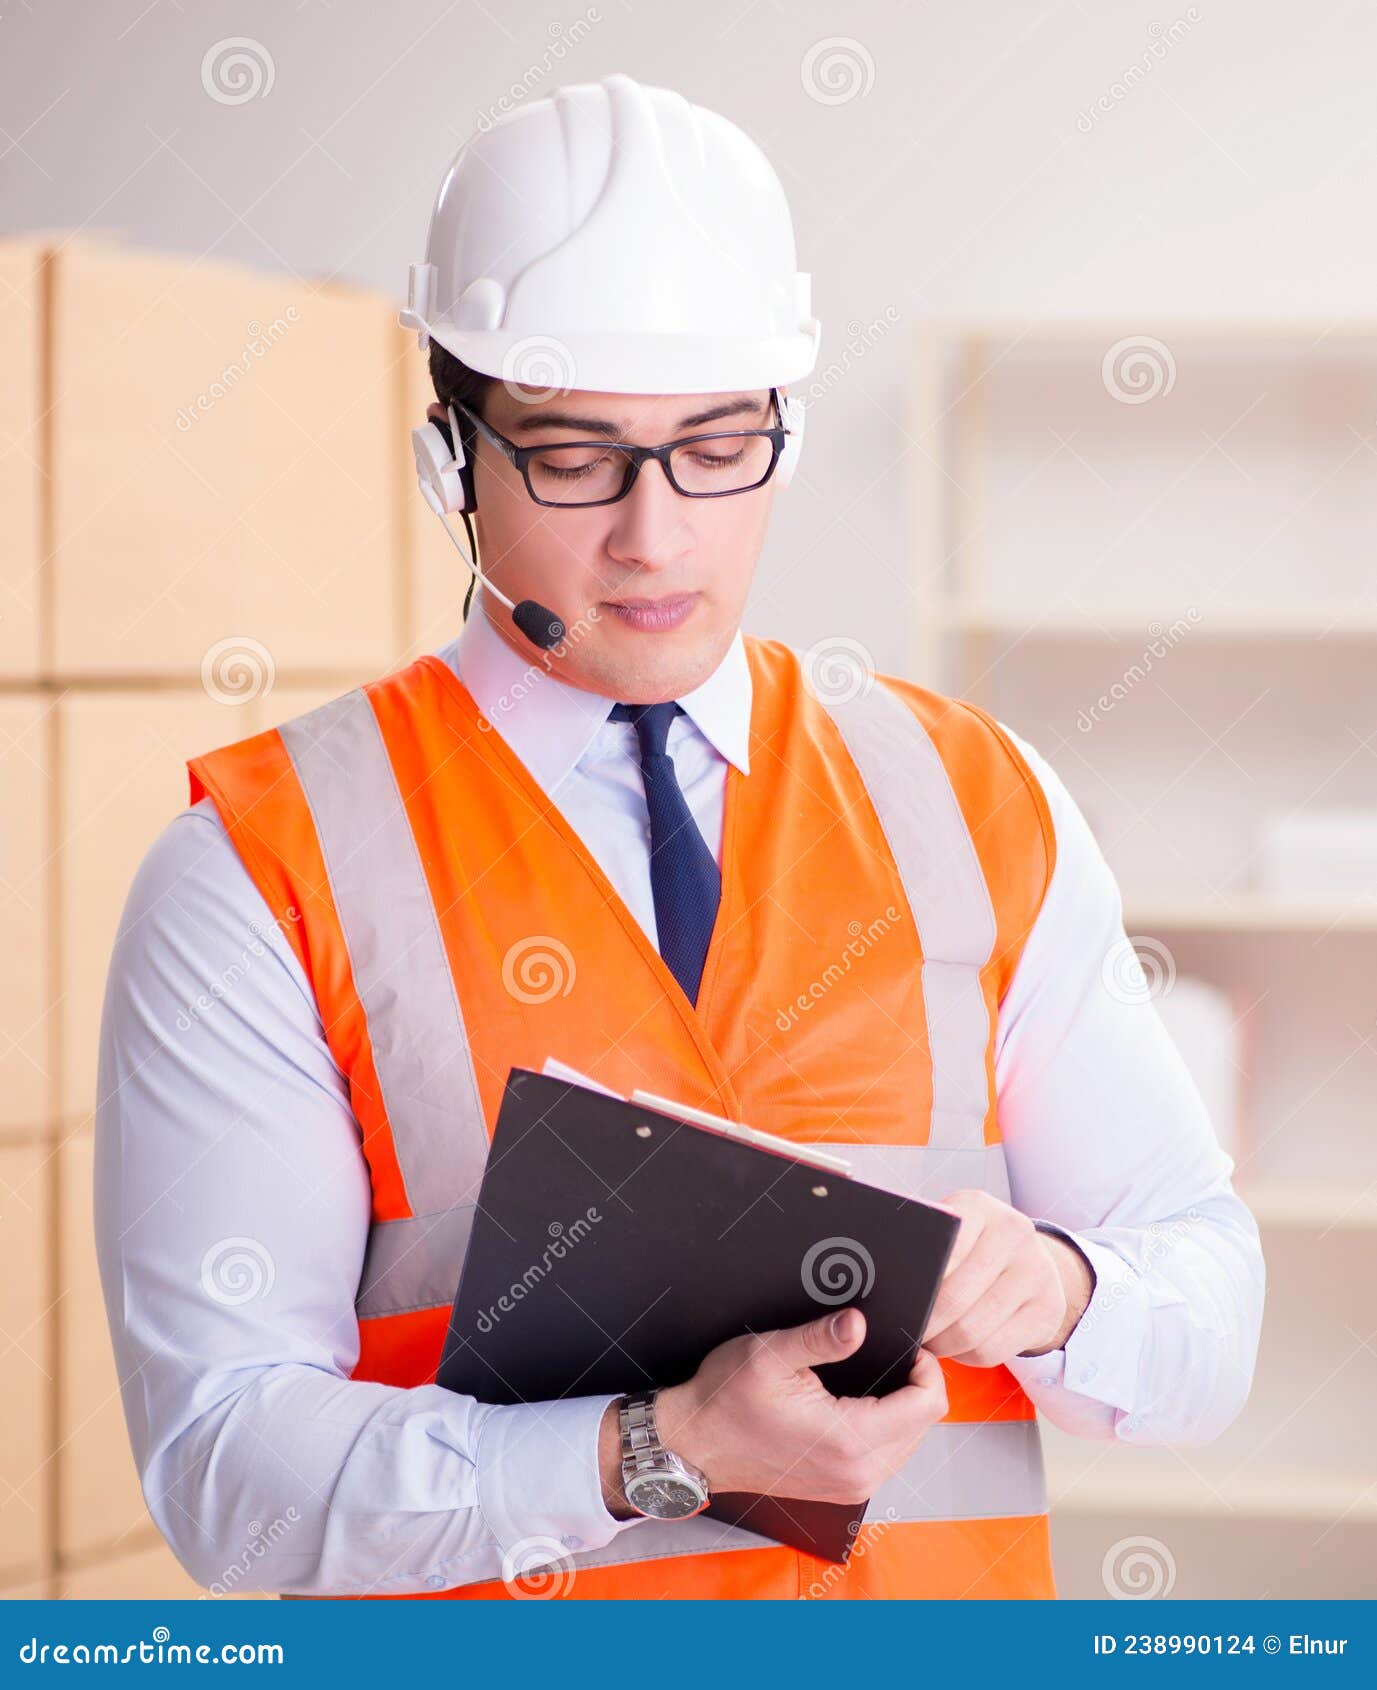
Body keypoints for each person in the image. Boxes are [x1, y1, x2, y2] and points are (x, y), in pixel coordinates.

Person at [94, 72, 1264, 1602]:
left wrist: (1056, 1286)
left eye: (716, 445)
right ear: (451, 450)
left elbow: (1207, 1317)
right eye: (575, 457)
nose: (656, 536)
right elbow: (222, 1474)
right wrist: (655, 1447)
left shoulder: (976, 799)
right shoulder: (258, 866)